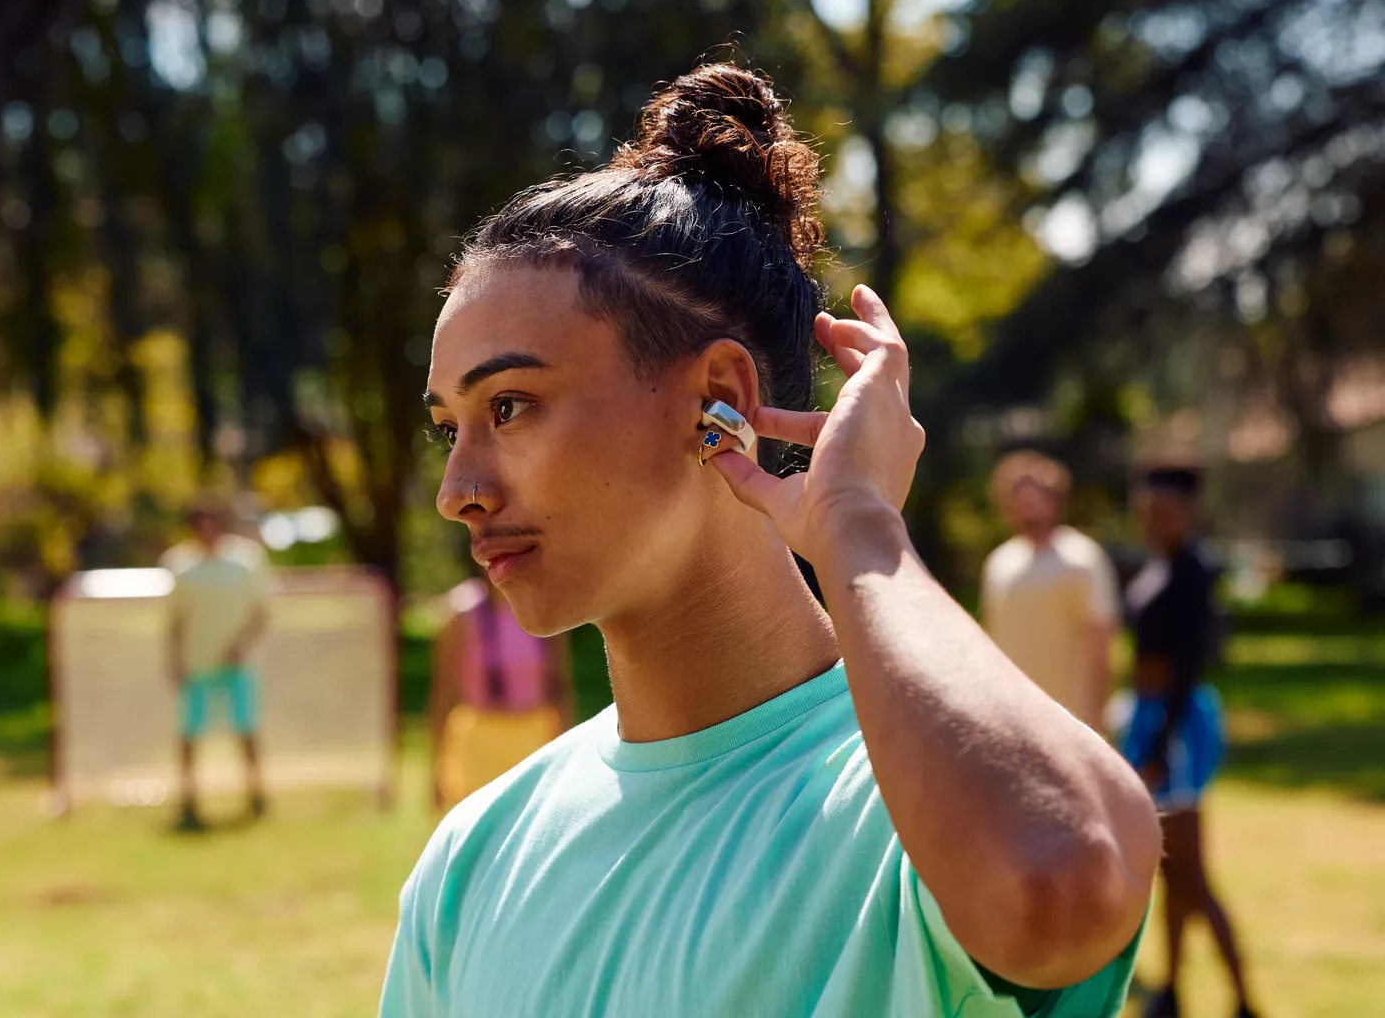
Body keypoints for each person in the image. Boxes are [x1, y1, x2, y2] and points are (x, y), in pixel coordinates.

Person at [384, 60, 1160, 1017]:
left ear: (719, 402)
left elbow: (1064, 882)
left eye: (509, 405)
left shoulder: (919, 807)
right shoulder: (471, 862)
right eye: (446, 428)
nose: (456, 491)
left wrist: (858, 527)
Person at [1120, 465, 1258, 1018]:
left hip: (1172, 727)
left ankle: (1244, 1000)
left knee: (1191, 871)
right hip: (1150, 719)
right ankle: (1172, 990)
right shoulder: (1162, 564)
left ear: (1187, 512)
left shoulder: (1193, 571)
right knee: (1171, 868)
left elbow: (1187, 667)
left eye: (1164, 510)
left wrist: (1157, 748)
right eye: (1146, 509)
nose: (1153, 519)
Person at [980, 451, 1121, 731]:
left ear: (1054, 499)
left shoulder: (1082, 559)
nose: (1026, 507)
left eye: (1034, 497)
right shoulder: (999, 563)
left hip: (1072, 721)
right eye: (1016, 498)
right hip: (1012, 718)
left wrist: (1098, 716)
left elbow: (1101, 643)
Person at [161, 499, 271, 831]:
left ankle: (256, 795)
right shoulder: (180, 565)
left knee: (246, 730)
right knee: (190, 735)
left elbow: (261, 614)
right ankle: (188, 799)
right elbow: (174, 621)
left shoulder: (246, 561)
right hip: (198, 665)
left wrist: (241, 646)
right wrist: (174, 661)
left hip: (238, 667)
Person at [429, 574, 574, 808]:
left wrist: (567, 753)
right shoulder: (462, 610)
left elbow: (560, 688)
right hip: (479, 737)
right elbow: (443, 692)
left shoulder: (546, 606)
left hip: (531, 733)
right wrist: (436, 767)